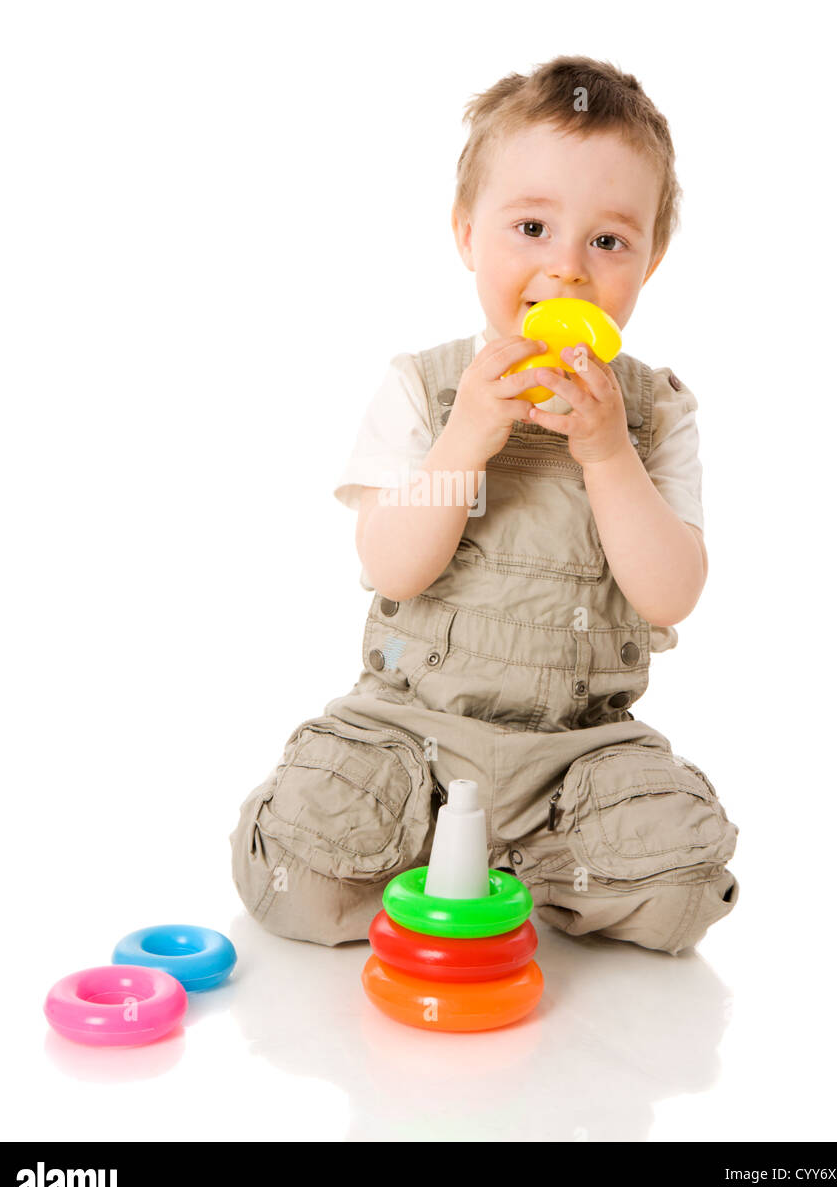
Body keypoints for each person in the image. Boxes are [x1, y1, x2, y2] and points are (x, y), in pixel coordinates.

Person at [230, 55, 739, 955]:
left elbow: (669, 595)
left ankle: (531, 865)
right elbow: (390, 565)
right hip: (406, 730)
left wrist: (607, 451)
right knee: (295, 873)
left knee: (683, 889)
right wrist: (466, 437)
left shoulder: (655, 414)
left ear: (650, 262)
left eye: (608, 243)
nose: (567, 270)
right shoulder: (424, 390)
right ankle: (426, 846)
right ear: (468, 235)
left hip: (576, 751)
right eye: (532, 227)